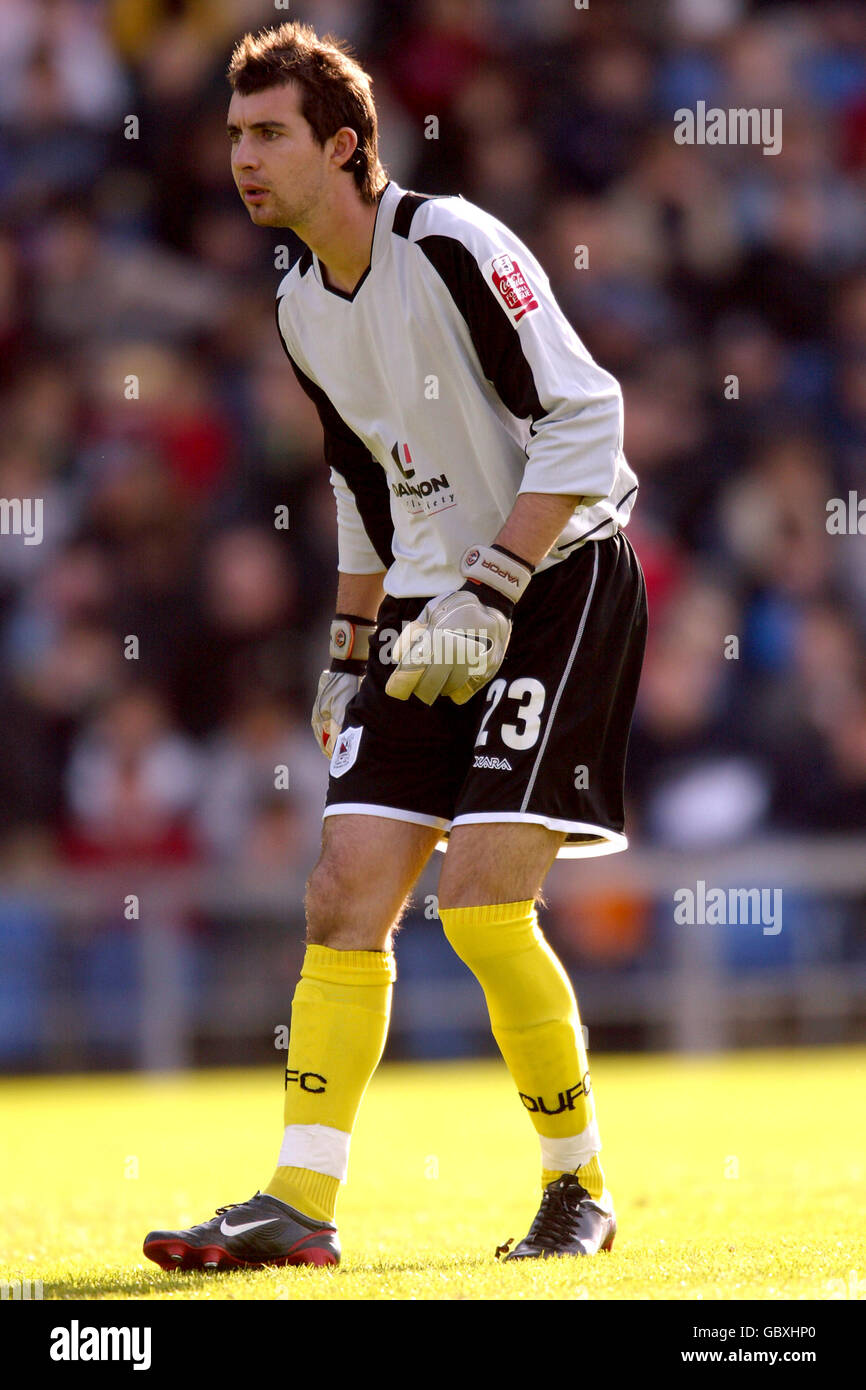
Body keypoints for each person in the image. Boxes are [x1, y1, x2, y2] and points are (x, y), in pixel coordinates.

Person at [143, 20, 647, 1272]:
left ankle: (574, 1188)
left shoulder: (455, 242)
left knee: (480, 908)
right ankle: (299, 1207)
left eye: (268, 134)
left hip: (560, 572)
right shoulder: (300, 305)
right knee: (343, 889)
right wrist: (347, 642)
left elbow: (587, 419)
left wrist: (493, 583)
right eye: (233, 135)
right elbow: (363, 484)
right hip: (426, 599)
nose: (242, 158)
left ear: (345, 145)